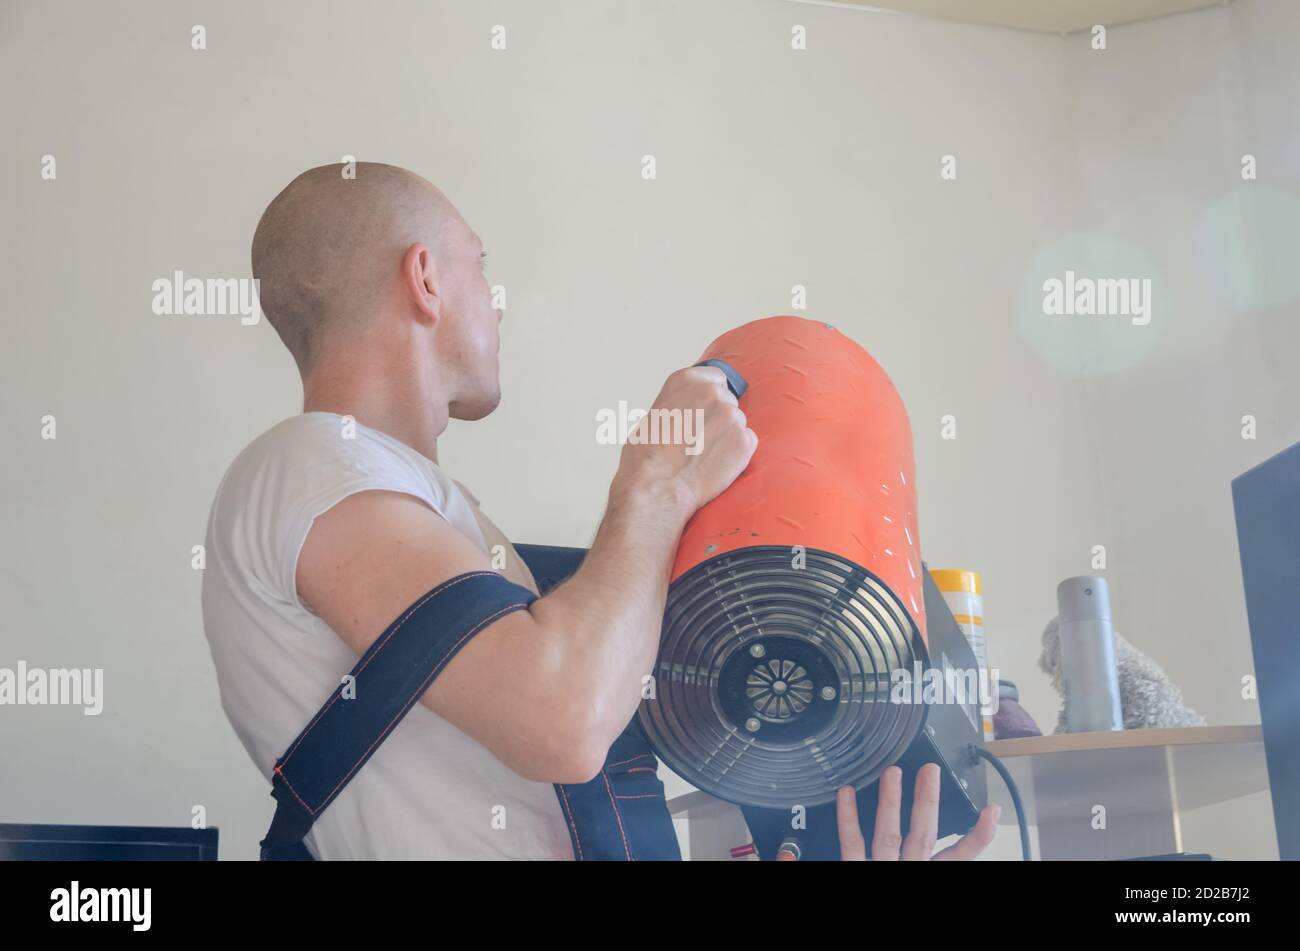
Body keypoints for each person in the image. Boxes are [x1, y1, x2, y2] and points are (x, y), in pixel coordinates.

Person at [202, 161, 999, 860]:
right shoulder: (310, 462)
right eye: (481, 264)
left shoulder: (436, 524)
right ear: (425, 277)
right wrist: (653, 484)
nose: (498, 305)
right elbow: (564, 719)